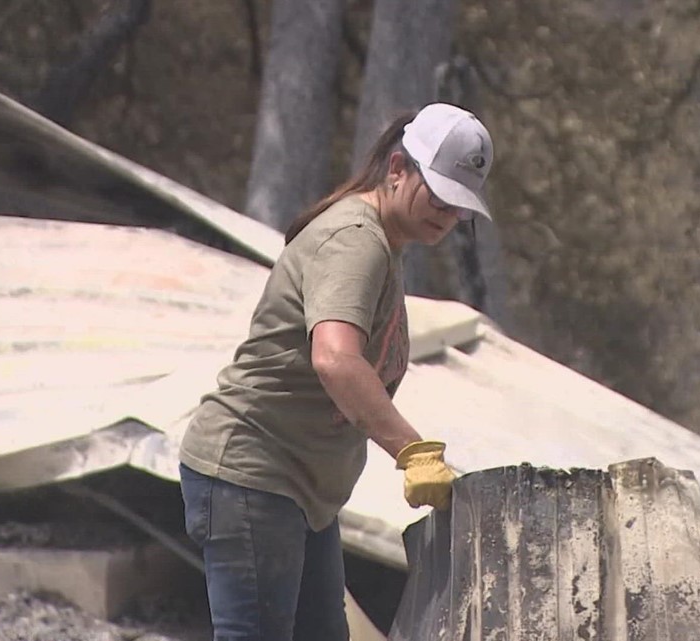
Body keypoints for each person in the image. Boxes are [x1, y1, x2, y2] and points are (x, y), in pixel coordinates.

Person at [178, 102, 495, 641]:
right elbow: (335, 358)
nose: (446, 213)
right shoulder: (356, 240)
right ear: (398, 168)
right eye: (438, 194)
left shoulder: (384, 244)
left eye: (459, 206)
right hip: (255, 474)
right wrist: (411, 451)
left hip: (301, 490)